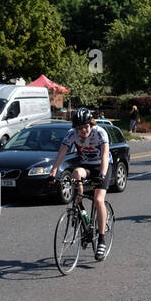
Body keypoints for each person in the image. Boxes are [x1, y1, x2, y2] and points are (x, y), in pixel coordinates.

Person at [49, 107, 112, 260]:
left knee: (98, 200)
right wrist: (53, 172)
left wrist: (102, 175)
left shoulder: (100, 132)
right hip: (86, 165)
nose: (83, 130)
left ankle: (102, 239)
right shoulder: (72, 135)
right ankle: (79, 204)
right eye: (79, 128)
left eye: (85, 127)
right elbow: (61, 153)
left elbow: (104, 155)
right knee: (76, 172)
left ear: (91, 124)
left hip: (102, 166)